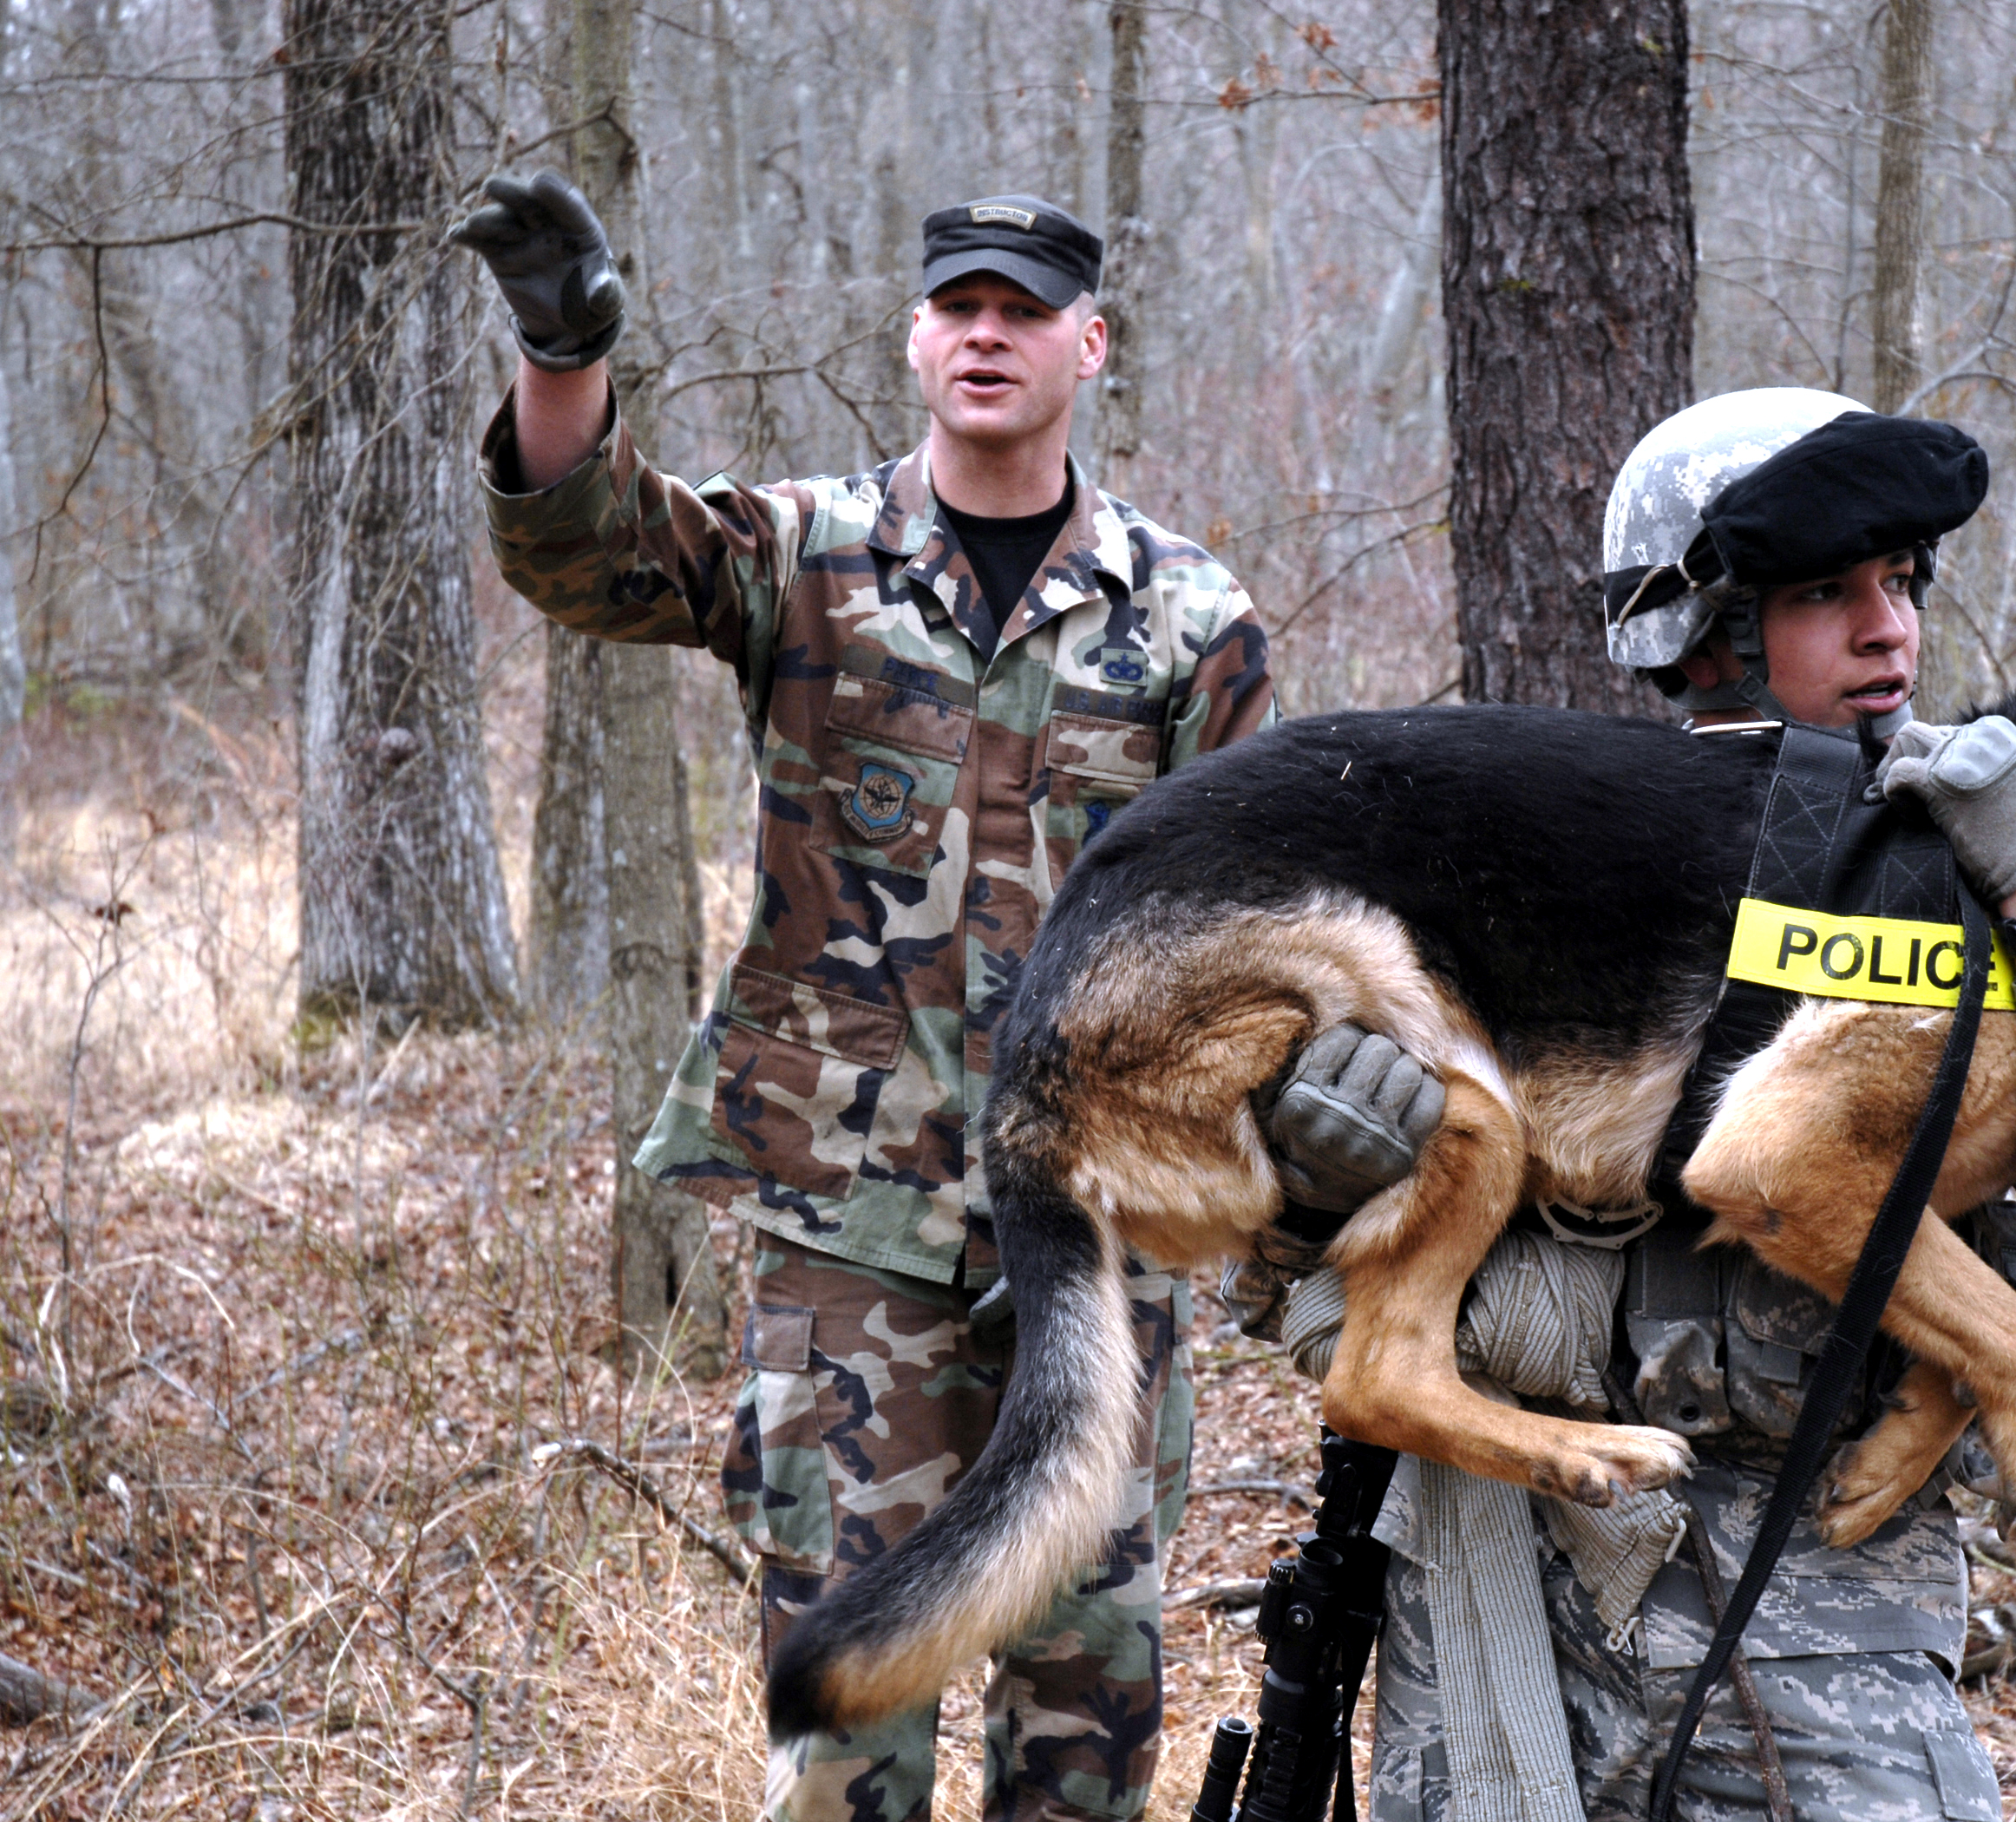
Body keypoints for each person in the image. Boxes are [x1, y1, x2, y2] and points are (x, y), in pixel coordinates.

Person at [453, 174, 1436, 1822]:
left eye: (1025, 311)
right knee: (849, 1725)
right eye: (960, 308)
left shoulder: (1192, 621)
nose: (989, 336)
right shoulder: (807, 556)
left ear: (1088, 345)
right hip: (852, 1232)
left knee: (1086, 1711)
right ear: (915, 339)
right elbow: (591, 550)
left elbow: (1257, 934)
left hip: (1104, 1238)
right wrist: (566, 352)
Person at [1233, 388, 2016, 1822]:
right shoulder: (1502, 852)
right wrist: (1315, 1183)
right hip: (1503, 1590)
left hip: (1824, 1608)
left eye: (1905, 585)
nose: (1890, 628)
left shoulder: (1995, 855)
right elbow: (1262, 1283)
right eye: (1827, 592)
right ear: (1694, 628)